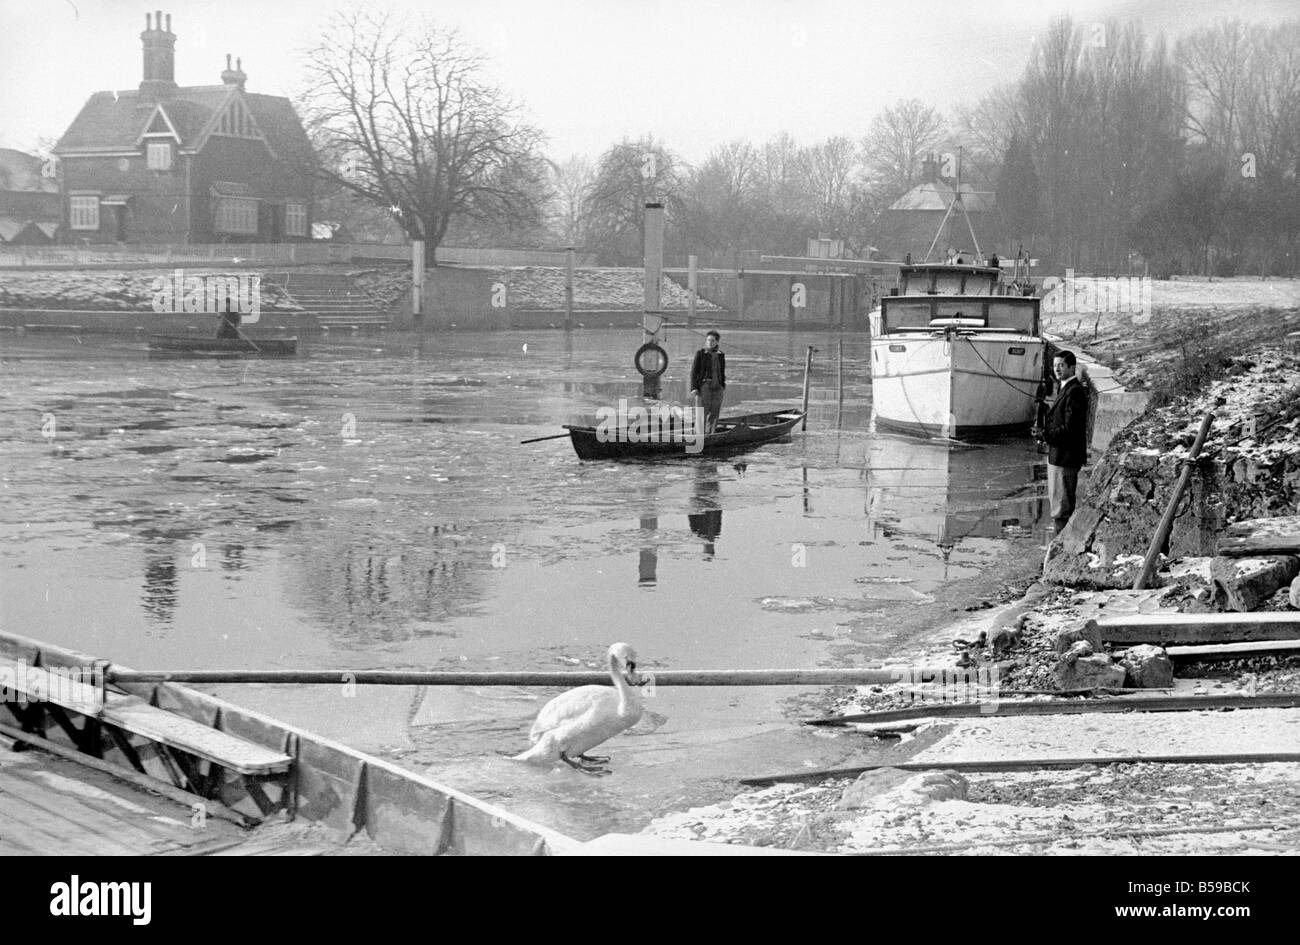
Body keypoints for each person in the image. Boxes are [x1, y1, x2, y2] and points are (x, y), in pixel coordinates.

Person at [1041, 348, 1089, 534]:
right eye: (1055, 366)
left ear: (1071, 367)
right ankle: (1056, 552)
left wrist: (1047, 435)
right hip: (1058, 456)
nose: (1057, 369)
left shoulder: (1074, 391)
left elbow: (1071, 428)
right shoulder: (1066, 388)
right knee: (1057, 506)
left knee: (1061, 508)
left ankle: (1058, 553)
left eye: (1061, 365)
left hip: (1065, 458)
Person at [690, 330, 726, 434]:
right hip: (704, 385)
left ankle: (711, 435)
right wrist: (694, 388)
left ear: (717, 342)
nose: (710, 342)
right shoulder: (700, 353)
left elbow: (722, 371)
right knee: (702, 412)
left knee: (714, 413)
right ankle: (698, 435)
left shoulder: (721, 355)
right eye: (708, 340)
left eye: (712, 340)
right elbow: (693, 372)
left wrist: (723, 385)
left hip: (718, 387)